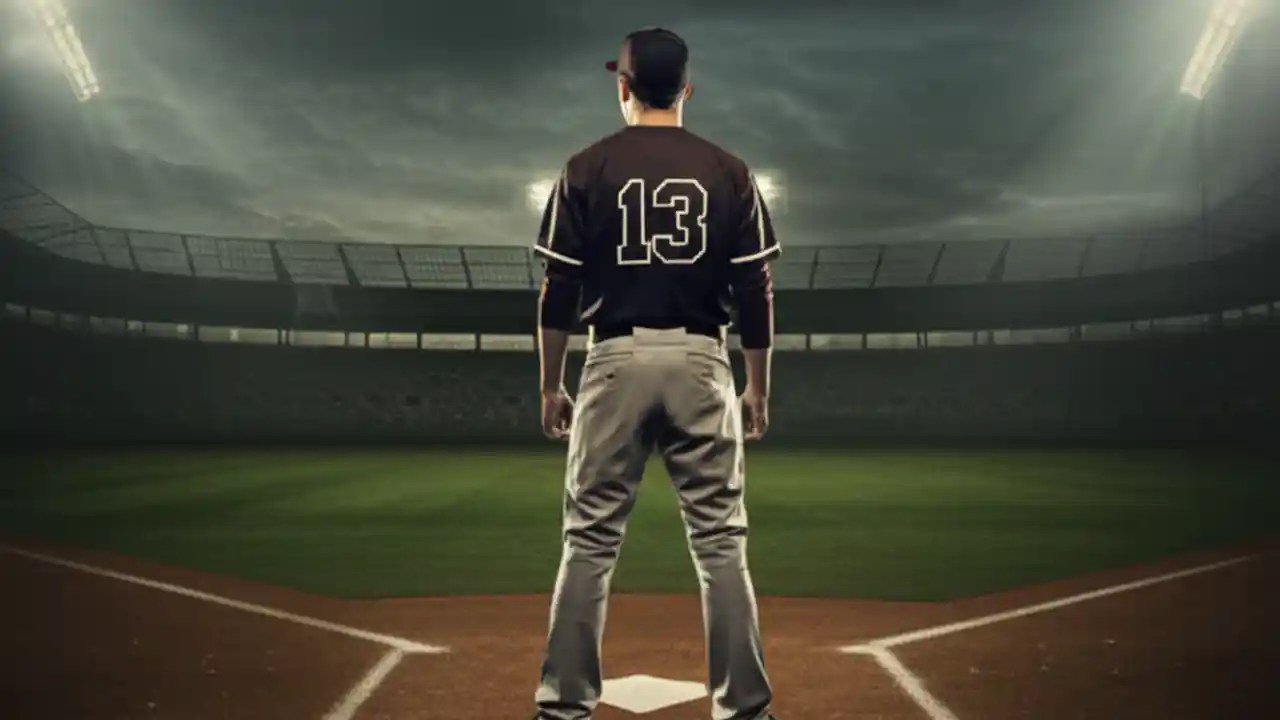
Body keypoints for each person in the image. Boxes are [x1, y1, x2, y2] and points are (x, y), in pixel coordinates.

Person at [532, 27, 781, 720]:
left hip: (613, 359)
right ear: (686, 90)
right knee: (721, 542)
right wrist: (757, 386)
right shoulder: (729, 171)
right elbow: (756, 288)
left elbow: (558, 288)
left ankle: (563, 708)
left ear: (624, 87)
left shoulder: (586, 167)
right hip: (702, 360)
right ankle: (746, 710)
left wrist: (550, 384)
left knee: (589, 542)